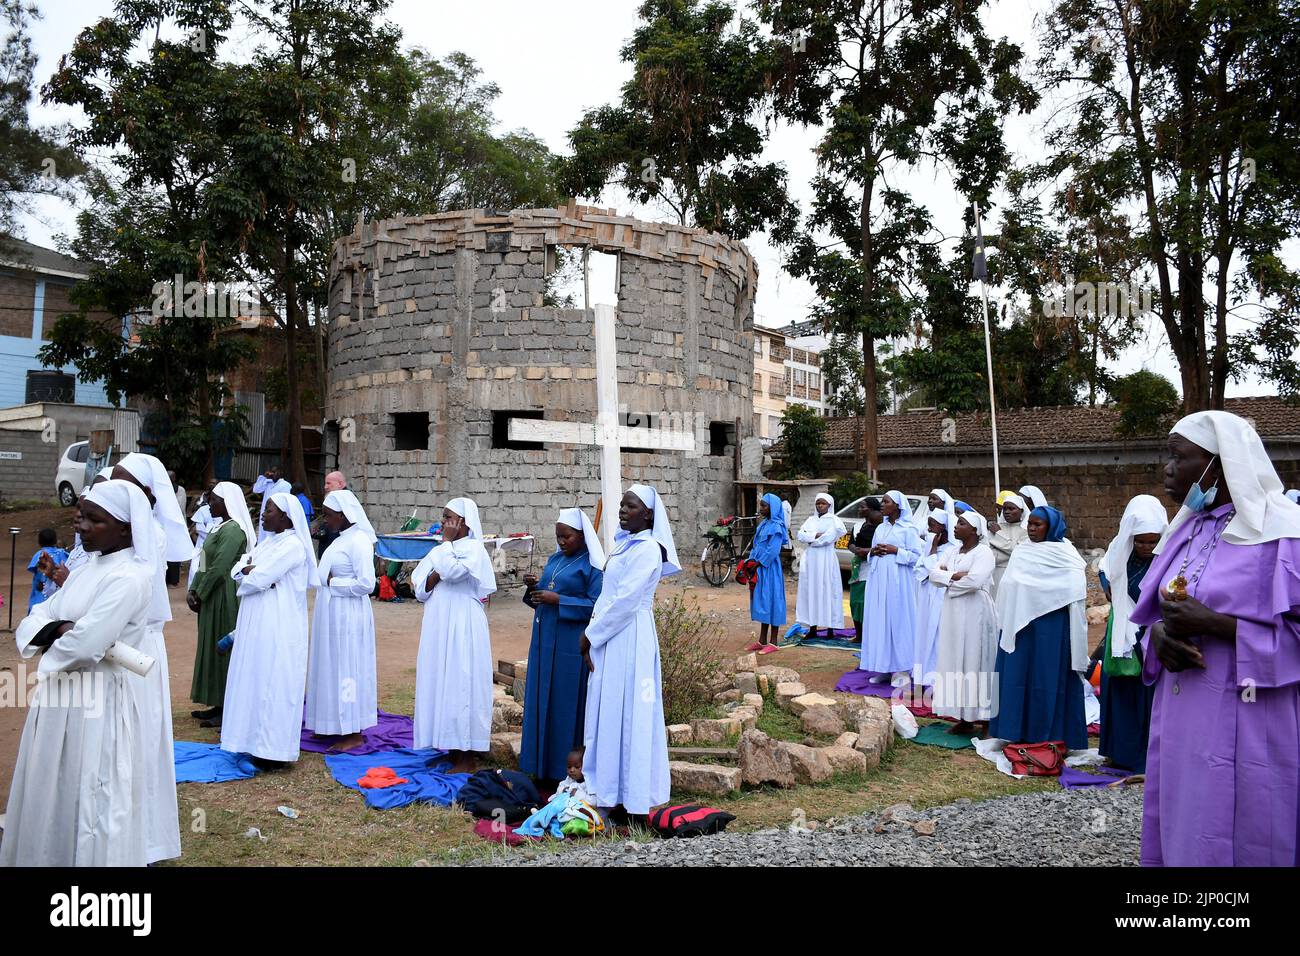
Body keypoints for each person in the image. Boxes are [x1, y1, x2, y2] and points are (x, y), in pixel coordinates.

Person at [1130, 411, 1300, 866]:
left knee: (1249, 821)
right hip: (1185, 710)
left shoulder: (1284, 535)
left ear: (1219, 465)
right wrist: (1159, 636)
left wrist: (1218, 624)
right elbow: (1157, 613)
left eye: (1177, 456)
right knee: (1186, 814)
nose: (1167, 468)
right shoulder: (1188, 529)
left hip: (1251, 709)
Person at [2, 479, 156, 866]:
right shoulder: (88, 566)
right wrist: (59, 627)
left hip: (96, 701)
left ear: (125, 527)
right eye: (80, 517)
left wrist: (64, 630)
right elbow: (39, 615)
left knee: (90, 791)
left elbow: (86, 645)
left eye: (94, 519)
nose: (81, 526)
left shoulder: (130, 577)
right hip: (58, 695)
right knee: (51, 783)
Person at [581, 485, 675, 821]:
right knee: (609, 710)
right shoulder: (622, 546)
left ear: (648, 514)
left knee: (632, 711)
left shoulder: (649, 549)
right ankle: (608, 791)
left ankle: (633, 796)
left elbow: (627, 601)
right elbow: (608, 597)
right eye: (621, 505)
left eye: (630, 506)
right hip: (610, 635)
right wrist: (595, 634)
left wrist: (590, 635)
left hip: (631, 635)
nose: (622, 511)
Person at [112, 452, 189, 864]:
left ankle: (141, 839)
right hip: (117, 644)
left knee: (136, 739)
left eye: (123, 481)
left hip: (136, 647)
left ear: (145, 493)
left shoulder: (149, 536)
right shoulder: (112, 531)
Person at [220, 493, 316, 770]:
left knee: (273, 682)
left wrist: (250, 571)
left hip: (278, 623)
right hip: (256, 620)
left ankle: (270, 751)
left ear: (286, 516)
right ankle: (247, 743)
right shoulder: (266, 544)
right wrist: (250, 570)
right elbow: (238, 570)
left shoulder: (293, 546)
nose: (263, 514)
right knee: (253, 679)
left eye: (270, 510)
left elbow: (260, 578)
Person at [989, 505, 1089, 750]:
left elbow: (1075, 588)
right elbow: (1009, 586)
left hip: (1053, 627)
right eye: (1030, 524)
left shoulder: (1067, 554)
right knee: (1019, 676)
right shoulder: (1023, 551)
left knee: (1048, 676)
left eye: (1037, 525)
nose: (1031, 529)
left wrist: (1040, 595)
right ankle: (1015, 730)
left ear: (1051, 527)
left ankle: (1050, 732)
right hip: (1022, 627)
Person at [520, 508, 605, 784]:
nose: (562, 542)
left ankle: (564, 770)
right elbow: (540, 595)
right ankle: (539, 765)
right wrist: (532, 588)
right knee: (541, 700)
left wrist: (559, 600)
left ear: (581, 536)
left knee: (565, 705)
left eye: (567, 537)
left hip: (571, 644)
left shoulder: (592, 565)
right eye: (558, 537)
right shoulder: (554, 559)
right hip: (544, 642)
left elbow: (596, 606)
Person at [413, 497, 497, 774]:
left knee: (462, 683)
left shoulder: (473, 549)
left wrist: (445, 552)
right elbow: (418, 584)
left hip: (463, 624)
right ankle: (448, 748)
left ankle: (466, 756)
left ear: (464, 522)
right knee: (441, 681)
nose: (443, 522)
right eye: (443, 516)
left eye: (449, 517)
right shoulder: (442, 549)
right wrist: (438, 571)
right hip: (438, 623)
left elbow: (454, 571)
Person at [1096, 494, 1167, 773]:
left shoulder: (1170, 555)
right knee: (1123, 692)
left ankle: (1148, 756)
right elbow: (1106, 569)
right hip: (1123, 636)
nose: (1147, 547)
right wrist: (1109, 585)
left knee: (1149, 696)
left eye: (1152, 541)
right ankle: (1120, 752)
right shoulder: (1118, 550)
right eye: (1140, 541)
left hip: (1153, 635)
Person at [305, 489, 379, 746]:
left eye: (328, 515)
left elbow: (367, 584)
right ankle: (330, 722)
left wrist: (334, 583)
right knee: (330, 667)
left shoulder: (358, 541)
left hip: (348, 616)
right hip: (331, 615)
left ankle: (352, 731)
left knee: (348, 670)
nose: (325, 520)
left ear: (344, 515)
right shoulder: (339, 541)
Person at [186, 482, 255, 728]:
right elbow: (204, 562)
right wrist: (193, 588)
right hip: (209, 592)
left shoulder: (235, 530)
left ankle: (228, 706)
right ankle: (215, 701)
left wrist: (201, 592)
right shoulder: (217, 528)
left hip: (224, 593)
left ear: (227, 502)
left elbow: (221, 567)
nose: (210, 504)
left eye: (214, 500)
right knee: (209, 643)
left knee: (223, 647)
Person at [930, 510, 999, 736]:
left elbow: (976, 581)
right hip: (952, 611)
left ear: (974, 530)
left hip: (976, 612)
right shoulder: (952, 551)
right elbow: (933, 575)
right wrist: (957, 576)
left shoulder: (984, 552)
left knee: (978, 661)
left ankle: (986, 719)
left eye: (961, 523)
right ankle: (963, 717)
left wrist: (948, 577)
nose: (956, 526)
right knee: (954, 660)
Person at [859, 491, 922, 683]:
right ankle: (884, 667)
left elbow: (917, 557)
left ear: (897, 506)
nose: (882, 505)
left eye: (886, 502)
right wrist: (874, 551)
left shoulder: (908, 529)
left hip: (898, 583)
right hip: (879, 581)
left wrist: (896, 551)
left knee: (898, 621)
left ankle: (902, 669)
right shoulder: (880, 528)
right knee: (880, 621)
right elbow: (872, 551)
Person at [913, 509, 958, 686]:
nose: (929, 530)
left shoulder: (952, 551)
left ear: (944, 529)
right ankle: (922, 675)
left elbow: (937, 573)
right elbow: (919, 570)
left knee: (938, 635)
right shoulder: (929, 546)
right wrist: (931, 551)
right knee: (925, 633)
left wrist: (931, 561)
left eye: (932, 526)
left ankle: (935, 678)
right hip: (926, 596)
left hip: (941, 598)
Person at [795, 493, 847, 641]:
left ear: (829, 505)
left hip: (826, 558)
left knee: (828, 591)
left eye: (823, 503)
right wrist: (816, 535)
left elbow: (828, 538)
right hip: (811, 559)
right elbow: (800, 535)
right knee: (811, 591)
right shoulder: (810, 520)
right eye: (818, 503)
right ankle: (812, 628)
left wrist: (812, 538)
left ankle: (830, 628)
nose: (820, 506)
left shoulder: (835, 521)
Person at [745, 493, 788, 654]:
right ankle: (762, 640)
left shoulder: (776, 526)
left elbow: (773, 550)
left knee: (773, 600)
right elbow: (757, 546)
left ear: (773, 508)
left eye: (764, 505)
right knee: (762, 601)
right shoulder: (764, 524)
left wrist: (757, 563)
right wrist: (750, 562)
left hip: (769, 568)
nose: (761, 508)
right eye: (761, 505)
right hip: (759, 568)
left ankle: (774, 641)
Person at [847, 498, 882, 642]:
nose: (859, 509)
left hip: (871, 567)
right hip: (857, 567)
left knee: (866, 601)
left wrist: (866, 551)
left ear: (872, 509)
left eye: (862, 507)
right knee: (855, 601)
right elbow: (850, 543)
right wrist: (854, 549)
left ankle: (869, 634)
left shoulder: (879, 528)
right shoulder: (857, 526)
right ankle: (859, 634)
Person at [986, 492, 1029, 593]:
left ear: (1021, 511)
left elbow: (1018, 552)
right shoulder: (997, 526)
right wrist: (1009, 552)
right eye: (1005, 509)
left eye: (1011, 509)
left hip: (1016, 574)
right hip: (996, 574)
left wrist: (998, 534)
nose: (1007, 512)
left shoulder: (1026, 530)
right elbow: (987, 552)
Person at [187, 481, 220, 588]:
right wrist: (211, 536)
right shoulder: (203, 510)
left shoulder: (225, 510)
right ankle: (196, 589)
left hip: (219, 544)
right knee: (201, 568)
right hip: (204, 545)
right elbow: (199, 528)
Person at [28, 528, 68, 611]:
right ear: (55, 540)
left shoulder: (40, 554)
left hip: (42, 588)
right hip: (59, 587)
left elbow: (33, 568)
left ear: (39, 542)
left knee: (38, 611)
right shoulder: (63, 553)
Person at [252, 466, 291, 542]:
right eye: (271, 471)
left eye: (274, 472)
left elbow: (284, 503)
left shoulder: (285, 485)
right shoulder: (268, 483)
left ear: (280, 473)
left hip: (276, 515)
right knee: (263, 534)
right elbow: (256, 489)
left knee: (272, 535)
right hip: (266, 513)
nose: (272, 474)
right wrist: (263, 477)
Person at [318, 471, 347, 557]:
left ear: (340, 484)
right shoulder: (333, 497)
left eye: (329, 483)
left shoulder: (347, 500)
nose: (325, 487)